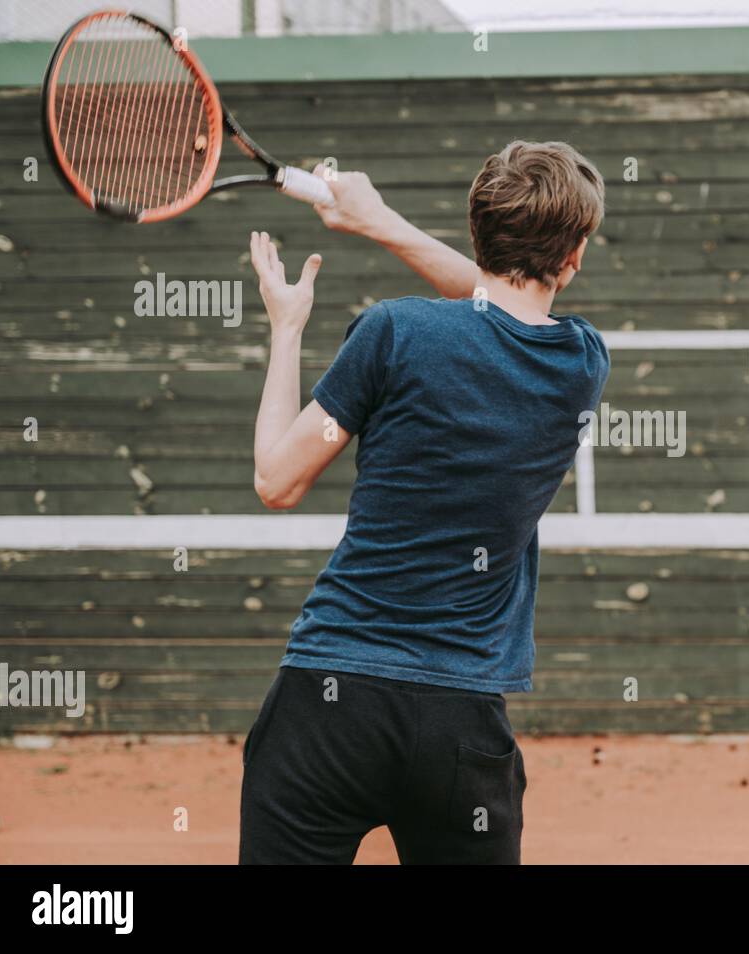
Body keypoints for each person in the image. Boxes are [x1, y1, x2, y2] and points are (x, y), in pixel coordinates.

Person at [238, 141, 609, 864]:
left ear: (479, 228)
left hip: (326, 706)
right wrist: (380, 223)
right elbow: (496, 300)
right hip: (462, 730)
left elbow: (275, 481)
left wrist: (287, 329)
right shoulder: (580, 364)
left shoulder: (393, 332)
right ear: (576, 257)